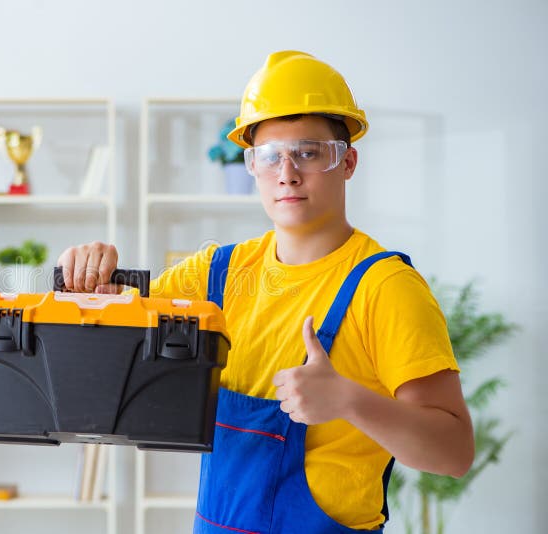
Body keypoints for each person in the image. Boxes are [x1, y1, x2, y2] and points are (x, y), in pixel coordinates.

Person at [57, 51, 474, 533]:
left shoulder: (385, 288)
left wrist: (348, 401)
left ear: (348, 161)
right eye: (270, 155)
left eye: (309, 152)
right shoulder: (218, 274)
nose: (287, 173)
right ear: (251, 165)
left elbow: (455, 453)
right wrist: (85, 270)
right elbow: (102, 325)